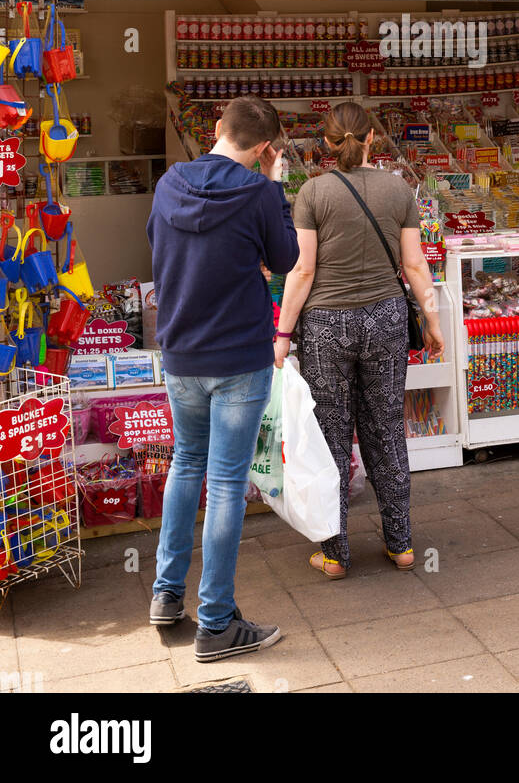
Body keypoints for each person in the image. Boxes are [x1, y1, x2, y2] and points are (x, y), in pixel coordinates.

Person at [146, 96, 298, 660]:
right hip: (239, 354)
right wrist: (276, 187)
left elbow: (160, 246)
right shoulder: (260, 191)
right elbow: (283, 258)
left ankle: (166, 594)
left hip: (182, 351)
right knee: (228, 484)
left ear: (217, 129)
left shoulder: (168, 186)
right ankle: (215, 622)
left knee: (187, 464)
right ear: (264, 151)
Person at [276, 101, 445, 578]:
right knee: (386, 426)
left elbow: (303, 269)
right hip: (387, 319)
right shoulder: (399, 190)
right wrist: (433, 323)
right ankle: (403, 544)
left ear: (325, 145)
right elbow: (415, 267)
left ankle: (335, 552)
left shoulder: (311, 193)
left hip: (327, 323)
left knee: (330, 432)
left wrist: (283, 335)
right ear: (373, 138)